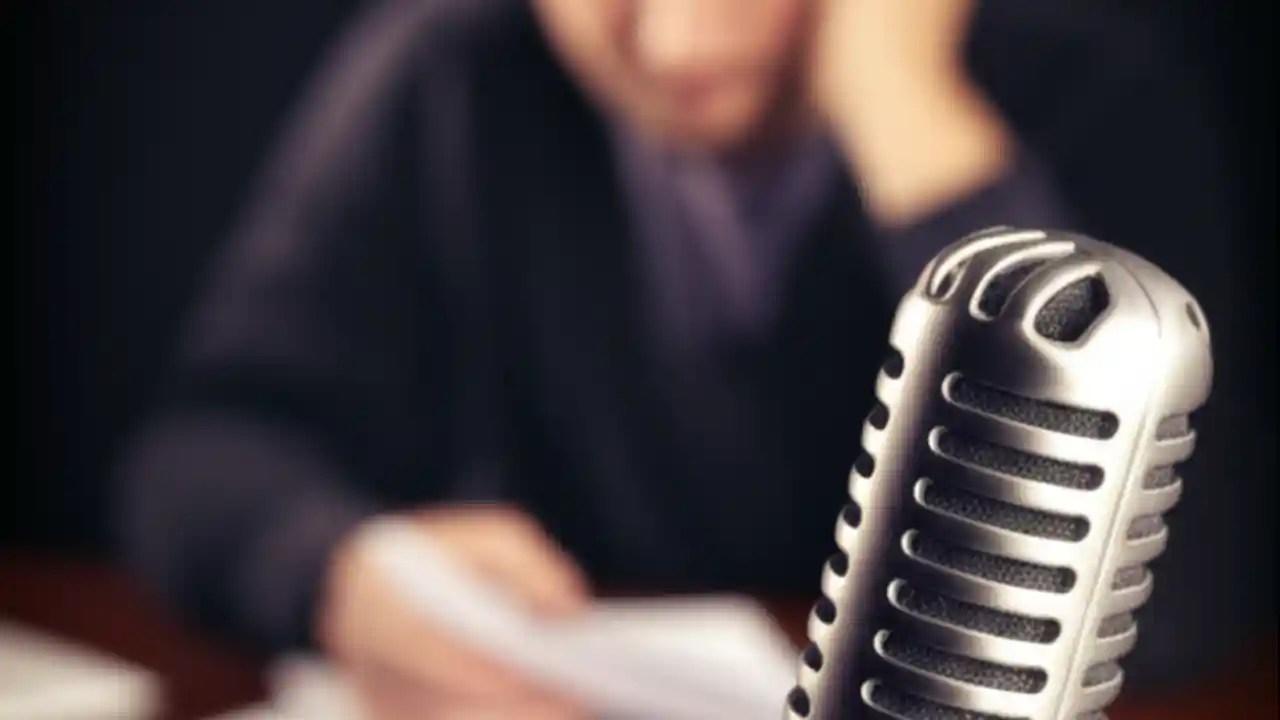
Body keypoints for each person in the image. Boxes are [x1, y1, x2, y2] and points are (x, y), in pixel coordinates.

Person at [118, 0, 1259, 718]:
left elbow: (1178, 605)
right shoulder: (447, 69)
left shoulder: (1090, 73)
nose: (671, 38)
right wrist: (334, 566)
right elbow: (203, 448)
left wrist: (909, 112)